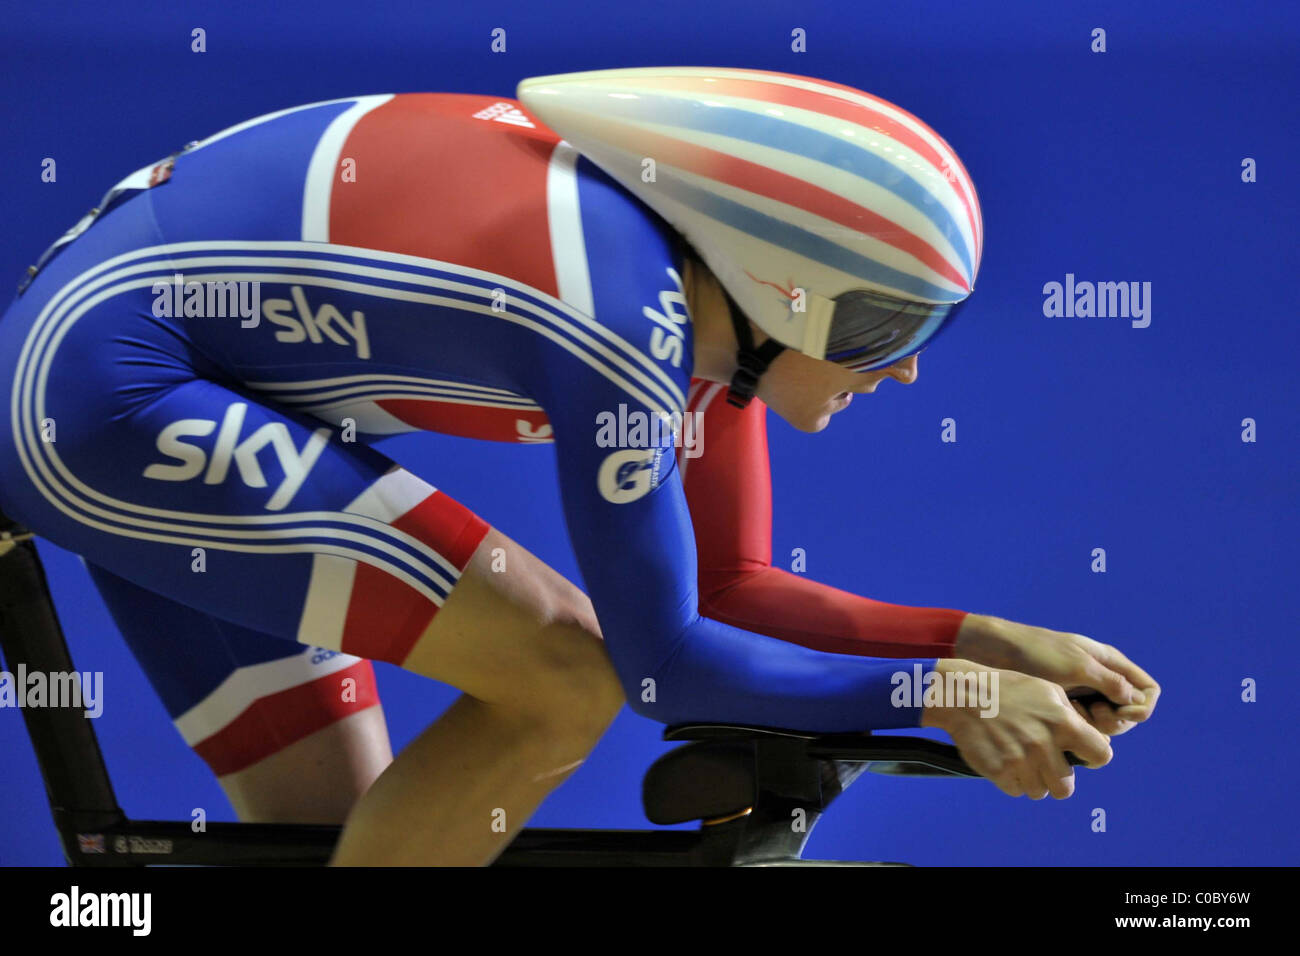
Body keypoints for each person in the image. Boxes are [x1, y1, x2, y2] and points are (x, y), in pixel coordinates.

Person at [0, 66, 1158, 865]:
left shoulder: (702, 309)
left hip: (128, 374)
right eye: (885, 325)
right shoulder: (619, 312)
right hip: (106, 388)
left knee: (368, 839)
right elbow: (661, 665)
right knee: (565, 675)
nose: (902, 371)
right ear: (783, 280)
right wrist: (950, 698)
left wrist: (974, 640)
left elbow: (726, 589)